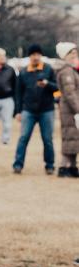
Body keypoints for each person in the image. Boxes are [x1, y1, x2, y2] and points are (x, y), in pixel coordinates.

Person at [13, 44, 58, 175]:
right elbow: (18, 94)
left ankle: (50, 165)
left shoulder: (48, 69)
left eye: (38, 54)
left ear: (41, 55)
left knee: (48, 139)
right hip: (28, 110)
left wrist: (47, 84)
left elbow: (57, 87)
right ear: (29, 56)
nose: (36, 57)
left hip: (47, 110)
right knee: (23, 138)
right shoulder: (23, 72)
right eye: (33, 54)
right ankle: (18, 165)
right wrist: (18, 111)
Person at [54, 42, 79, 177]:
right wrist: (78, 110)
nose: (75, 55)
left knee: (74, 138)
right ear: (66, 56)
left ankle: (73, 167)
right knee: (69, 138)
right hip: (70, 110)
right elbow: (70, 93)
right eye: (72, 53)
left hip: (71, 109)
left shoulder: (71, 69)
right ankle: (64, 167)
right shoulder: (67, 71)